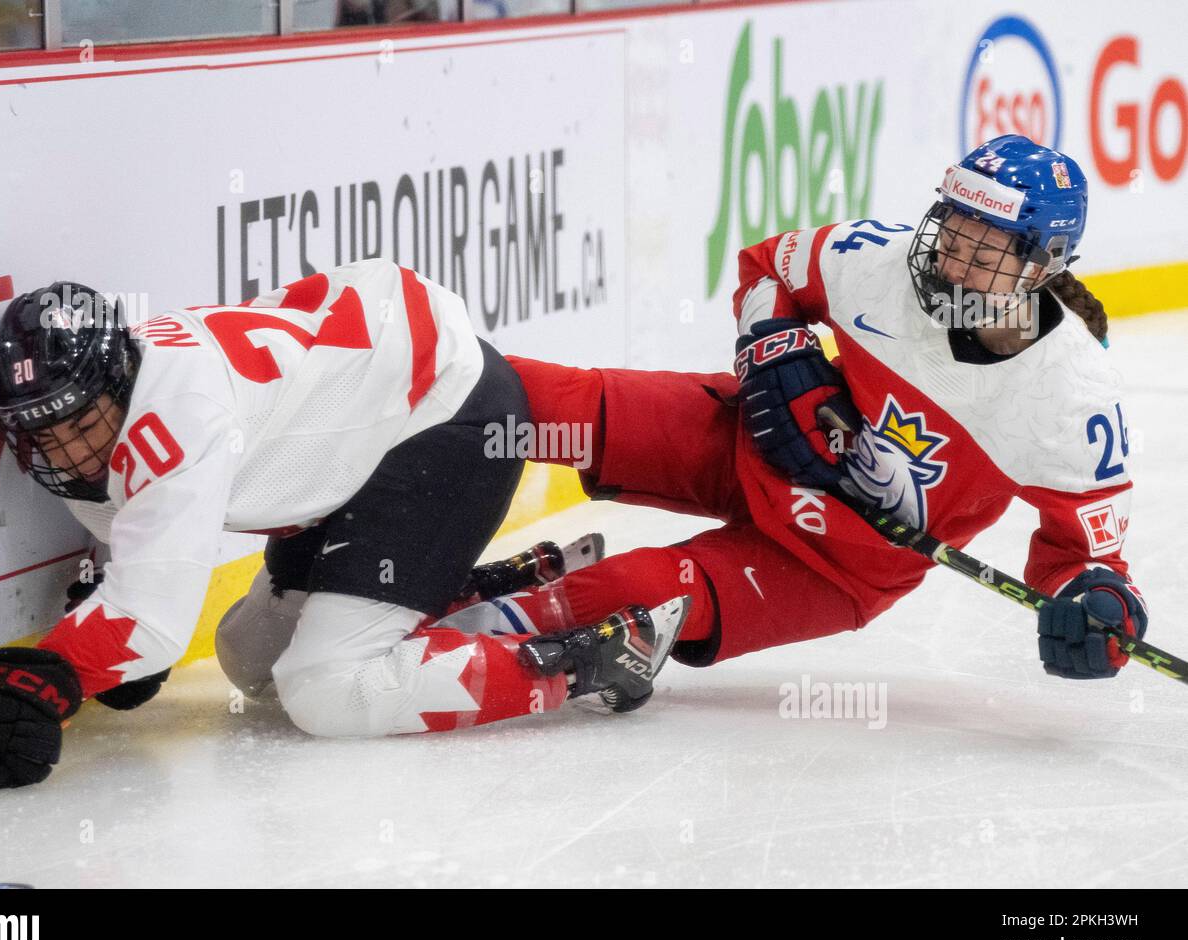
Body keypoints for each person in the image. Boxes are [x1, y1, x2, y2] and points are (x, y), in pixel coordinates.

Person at [0, 258, 688, 792]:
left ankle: (583, 662)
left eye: (84, 423)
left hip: (441, 418)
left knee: (326, 690)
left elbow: (151, 619)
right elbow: (138, 584)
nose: (72, 452)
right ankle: (455, 592)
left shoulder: (174, 420)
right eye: (45, 433)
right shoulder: (130, 391)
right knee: (245, 658)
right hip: (355, 441)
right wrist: (99, 650)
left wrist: (38, 683)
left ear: (120, 383)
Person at [487, 134, 1148, 683]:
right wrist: (773, 344)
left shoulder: (1072, 402)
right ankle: (420, 386)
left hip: (833, 567)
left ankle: (461, 638)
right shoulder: (878, 258)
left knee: (630, 589)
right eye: (950, 235)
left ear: (1042, 264)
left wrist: (1099, 606)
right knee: (545, 402)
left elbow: (1088, 563)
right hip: (757, 440)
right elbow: (765, 267)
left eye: (981, 252)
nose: (950, 264)